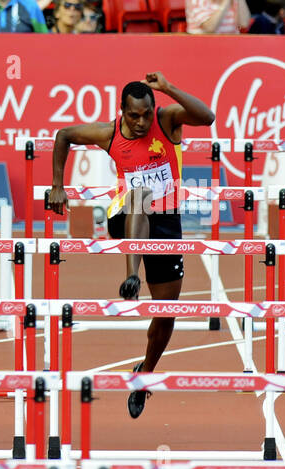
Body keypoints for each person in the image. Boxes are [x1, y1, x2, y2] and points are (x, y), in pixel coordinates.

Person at [46, 73, 217, 419]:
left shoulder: (167, 121)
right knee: (139, 195)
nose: (140, 123)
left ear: (154, 109)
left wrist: (168, 88)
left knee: (166, 314)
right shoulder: (109, 133)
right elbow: (64, 135)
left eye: (146, 115)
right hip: (126, 216)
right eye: (133, 116)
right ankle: (131, 278)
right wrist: (57, 185)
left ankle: (145, 373)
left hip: (167, 222)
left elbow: (207, 117)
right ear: (121, 111)